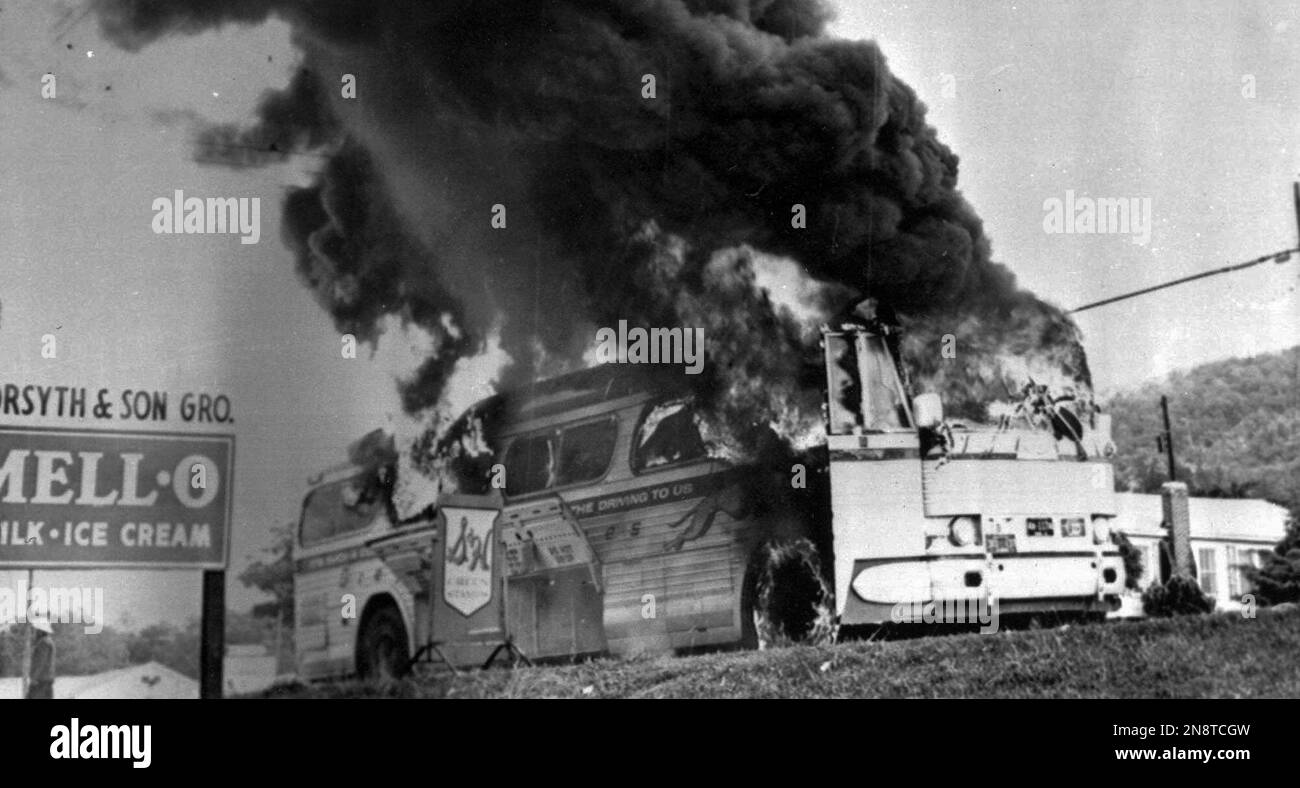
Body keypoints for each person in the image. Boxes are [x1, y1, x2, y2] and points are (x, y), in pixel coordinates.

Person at [26, 616, 54, 699]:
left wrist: (34, 678)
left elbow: (40, 662)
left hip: (40, 680)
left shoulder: (43, 643)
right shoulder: (46, 641)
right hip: (44, 680)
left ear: (41, 630)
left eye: (36, 629)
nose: (34, 631)